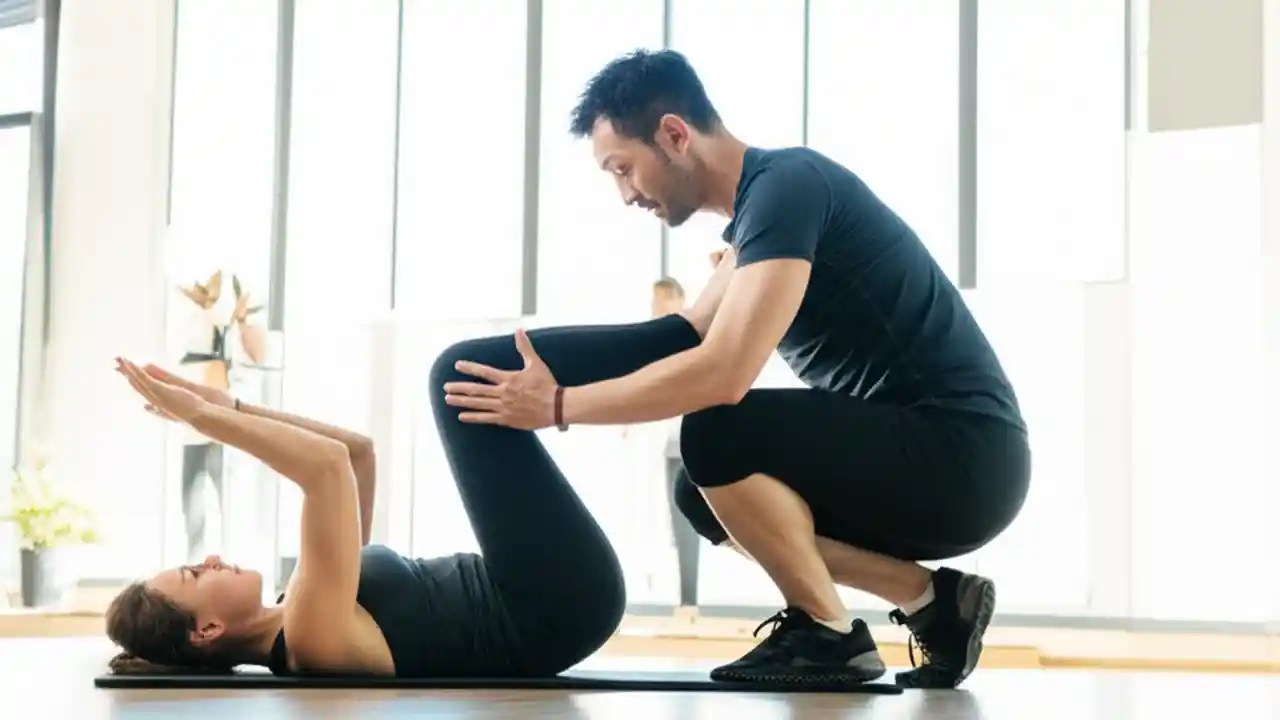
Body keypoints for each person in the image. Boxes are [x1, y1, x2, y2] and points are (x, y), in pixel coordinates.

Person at [439, 49, 1031, 689]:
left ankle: (828, 635)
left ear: (674, 135)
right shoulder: (759, 221)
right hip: (938, 463)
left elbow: (722, 373)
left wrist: (556, 408)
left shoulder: (788, 186)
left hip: (965, 456)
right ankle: (933, 601)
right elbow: (686, 333)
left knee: (718, 430)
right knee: (700, 495)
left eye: (624, 169)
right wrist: (537, 371)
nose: (625, 194)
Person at [103, 358, 626, 678]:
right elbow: (326, 469)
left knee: (464, 379)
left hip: (534, 590)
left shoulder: (302, 599)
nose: (212, 559)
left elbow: (355, 455)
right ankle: (691, 345)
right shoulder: (310, 638)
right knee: (459, 377)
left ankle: (696, 355)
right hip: (552, 604)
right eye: (197, 573)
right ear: (208, 631)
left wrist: (230, 405)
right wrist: (201, 419)